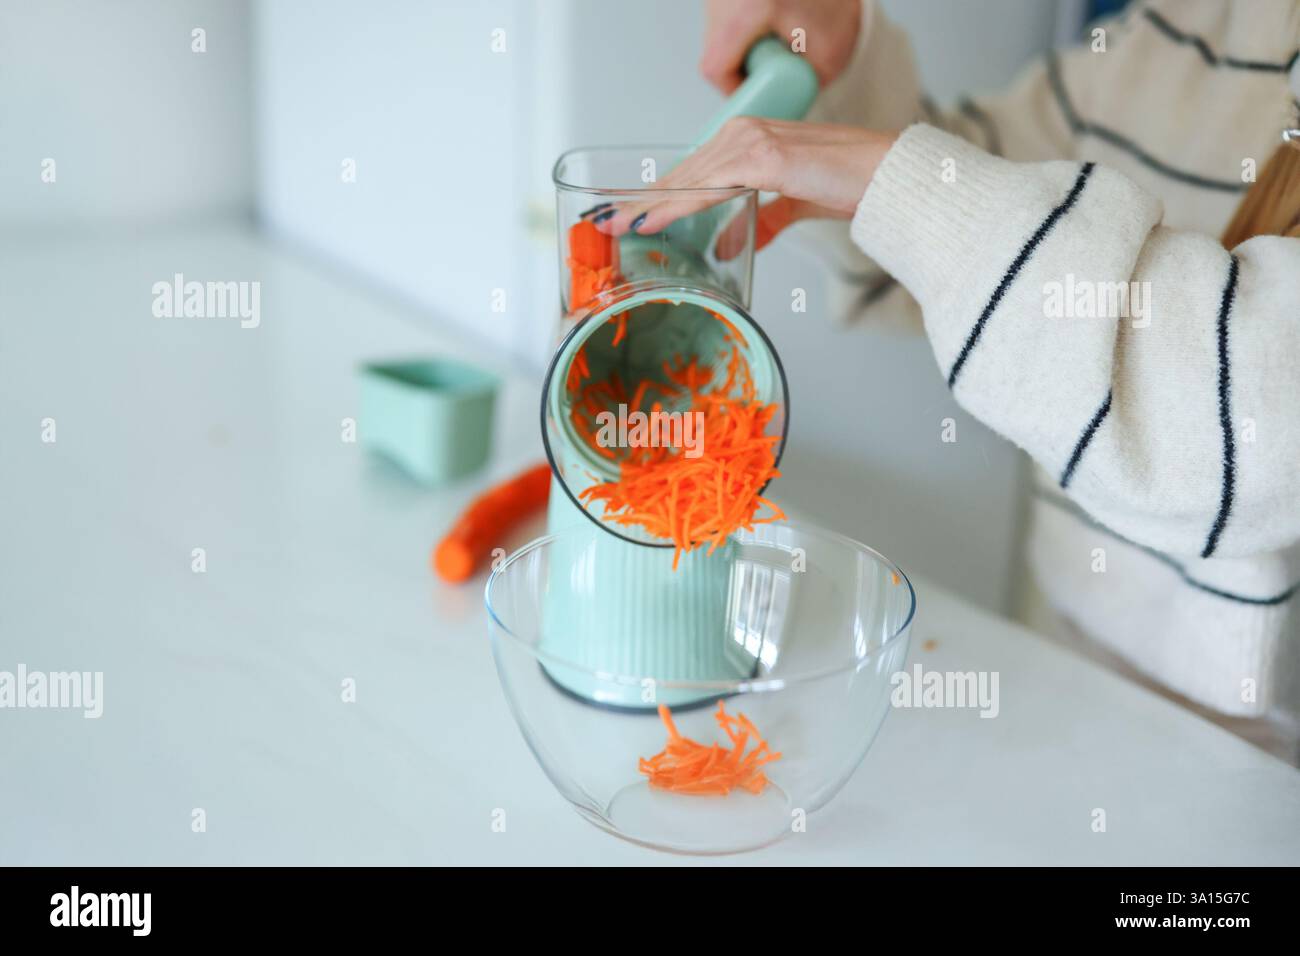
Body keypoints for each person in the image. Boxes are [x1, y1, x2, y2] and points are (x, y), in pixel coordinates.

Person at [609, 0, 1300, 761]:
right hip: (1064, 651)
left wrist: (886, 182)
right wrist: (833, 64)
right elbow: (988, 202)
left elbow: (1245, 426)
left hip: (1262, 754)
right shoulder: (1180, 26)